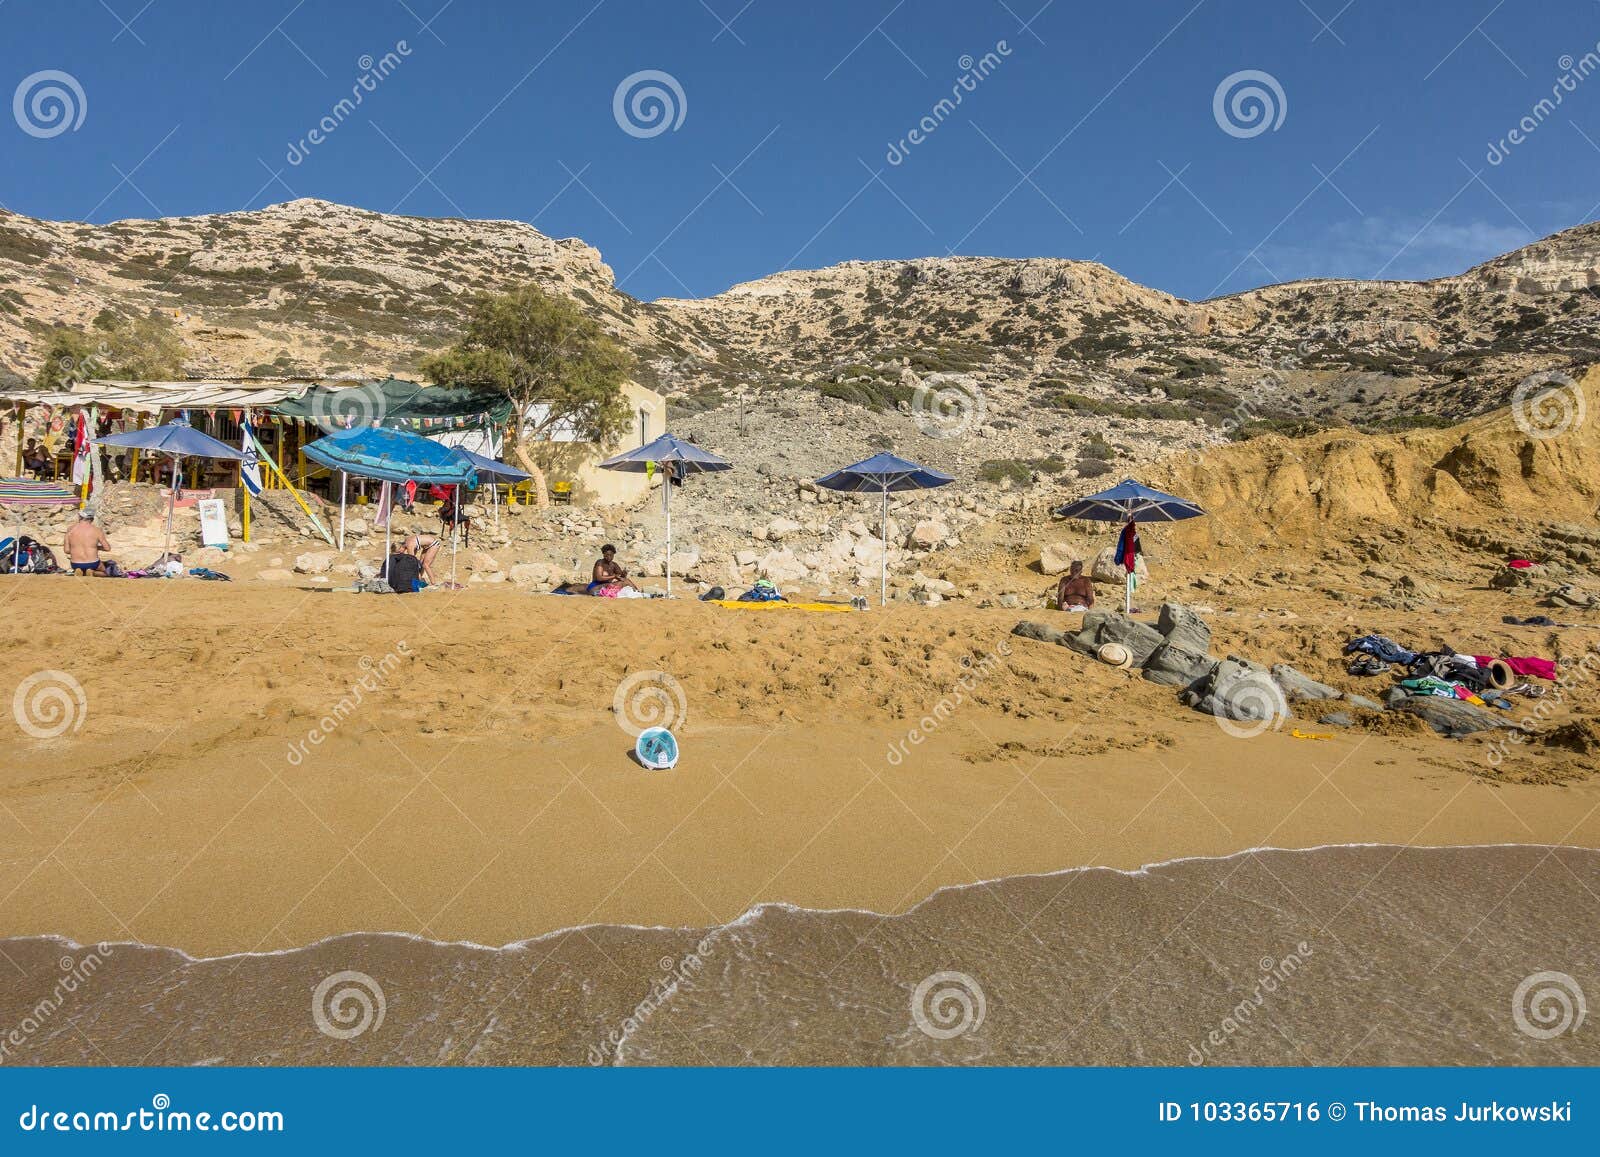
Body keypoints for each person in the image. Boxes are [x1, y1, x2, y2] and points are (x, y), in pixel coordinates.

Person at [64, 510, 116, 576]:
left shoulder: (70, 530)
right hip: (92, 563)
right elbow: (107, 548)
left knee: (79, 568)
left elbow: (67, 550)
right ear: (92, 519)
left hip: (75, 563)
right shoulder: (97, 530)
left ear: (80, 517)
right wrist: (95, 547)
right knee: (105, 573)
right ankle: (93, 572)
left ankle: (79, 570)